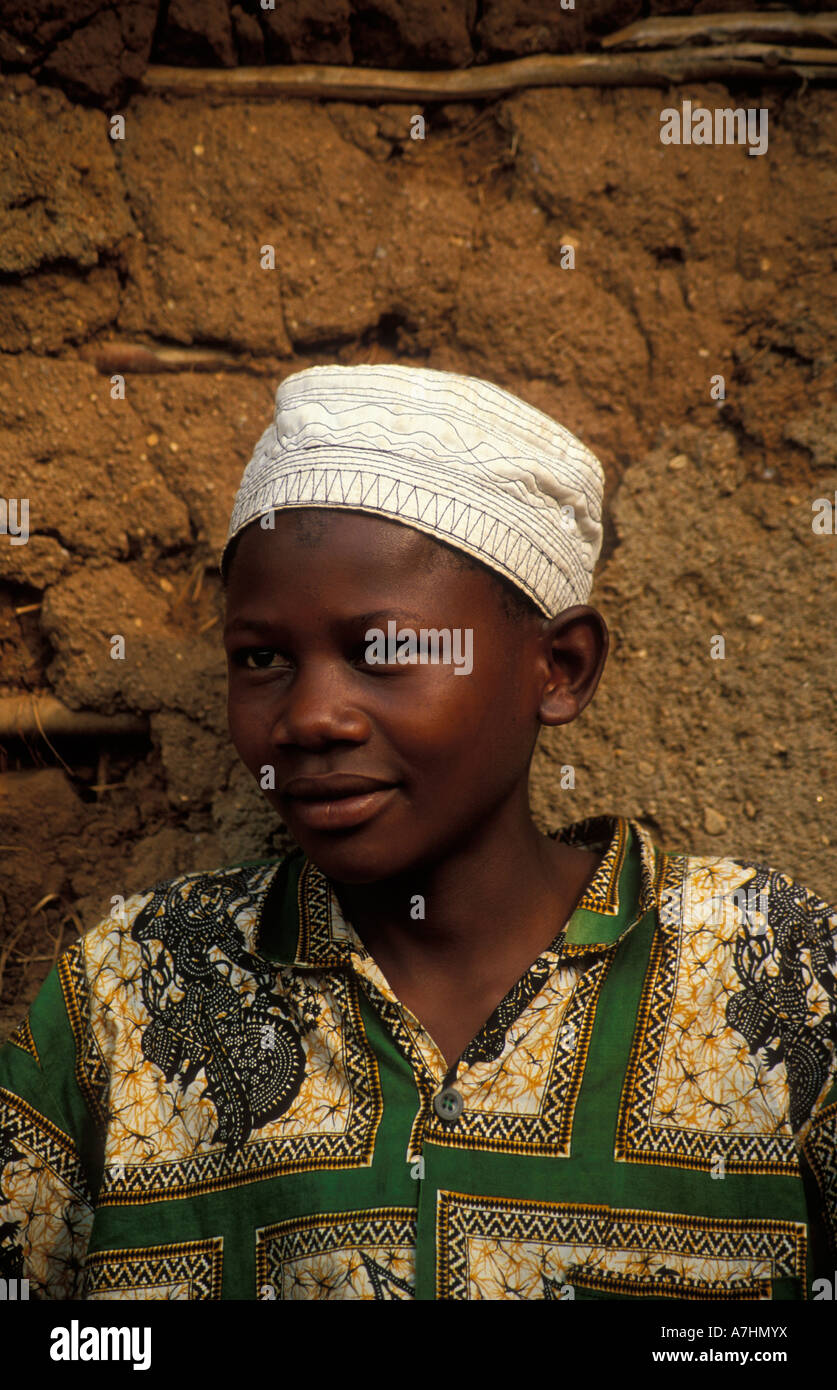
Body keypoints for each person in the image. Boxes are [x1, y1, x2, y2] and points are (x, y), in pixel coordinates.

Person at [0, 363, 834, 1301]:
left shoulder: (773, 968)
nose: (312, 716)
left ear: (557, 668)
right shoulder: (136, 987)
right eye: (262, 658)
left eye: (387, 650)